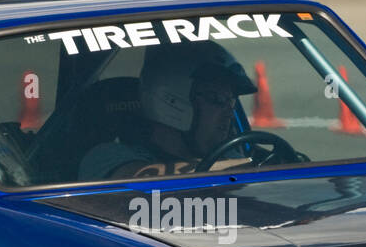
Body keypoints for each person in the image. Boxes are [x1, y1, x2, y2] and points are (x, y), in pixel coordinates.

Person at [78, 44, 257, 180]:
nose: (229, 113)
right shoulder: (107, 157)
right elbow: (141, 177)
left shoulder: (230, 155)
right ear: (173, 100)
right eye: (216, 99)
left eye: (231, 101)